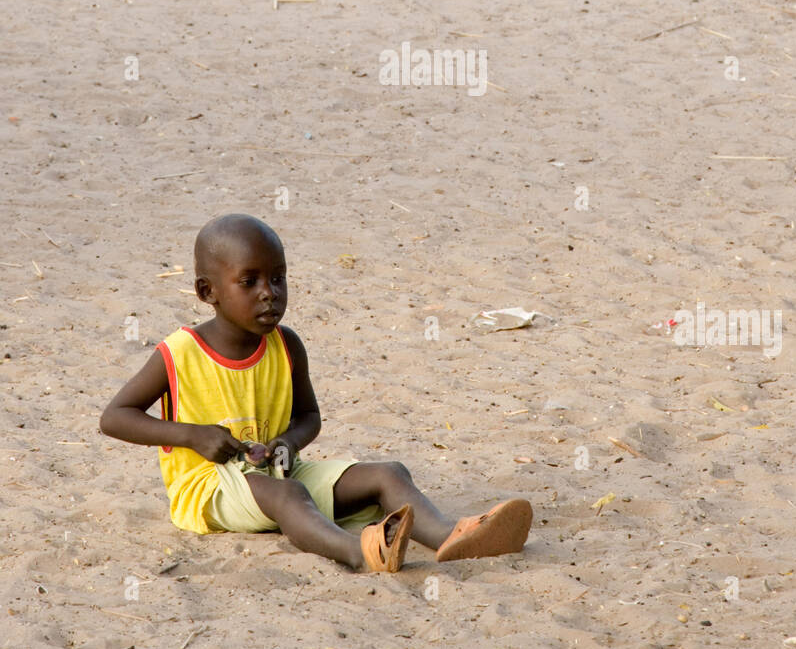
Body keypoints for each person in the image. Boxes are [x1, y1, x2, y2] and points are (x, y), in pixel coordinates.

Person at [100, 213, 532, 573]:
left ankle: (452, 536)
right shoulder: (180, 353)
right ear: (207, 292)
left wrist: (288, 442)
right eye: (248, 282)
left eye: (278, 278)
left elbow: (309, 417)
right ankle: (360, 552)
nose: (268, 293)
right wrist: (193, 435)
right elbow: (115, 416)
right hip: (208, 488)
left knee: (389, 474)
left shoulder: (286, 346)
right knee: (290, 497)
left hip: (278, 472)